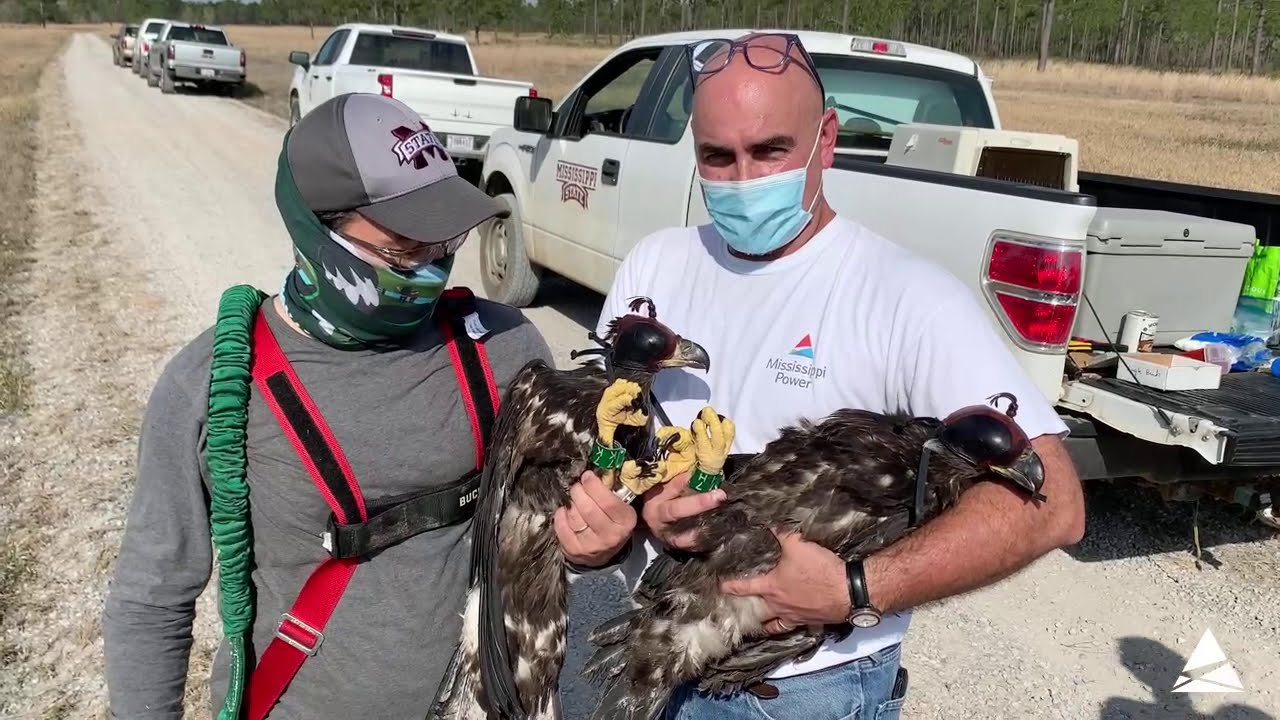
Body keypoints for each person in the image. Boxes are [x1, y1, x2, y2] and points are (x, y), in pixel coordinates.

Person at [590, 32, 1088, 720]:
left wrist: (855, 587)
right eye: (718, 156)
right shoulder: (656, 266)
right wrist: (636, 508)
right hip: (665, 650)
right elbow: (618, 440)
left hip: (797, 690)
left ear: (825, 140)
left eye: (771, 150)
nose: (744, 179)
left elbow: (1054, 505)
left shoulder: (906, 297)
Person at [102, 93, 567, 719]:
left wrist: (604, 537)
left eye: (443, 238)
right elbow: (152, 597)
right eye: (404, 247)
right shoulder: (215, 383)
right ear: (316, 232)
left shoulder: (504, 348)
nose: (431, 264)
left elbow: (563, 517)